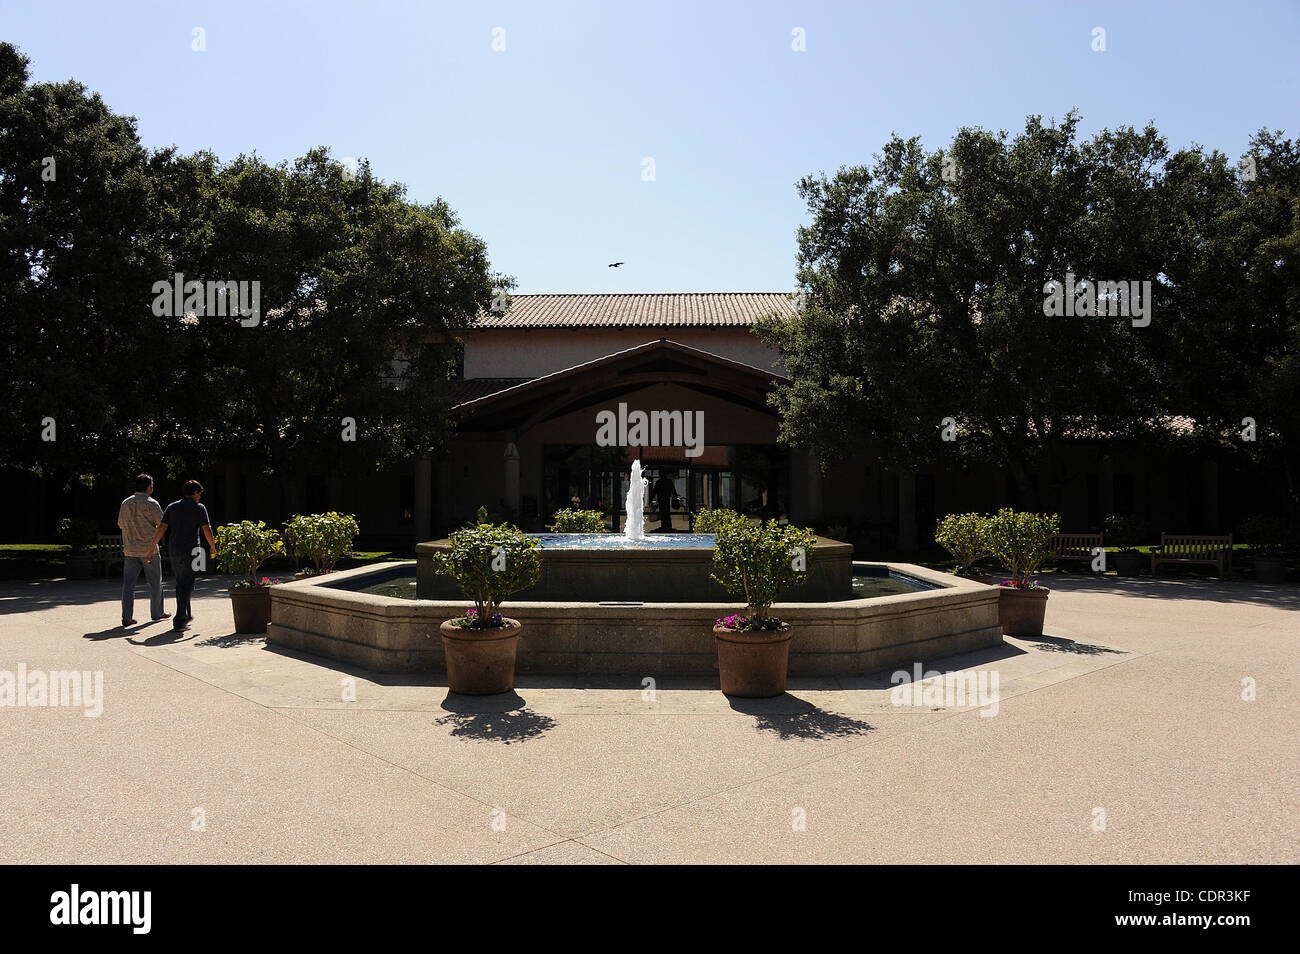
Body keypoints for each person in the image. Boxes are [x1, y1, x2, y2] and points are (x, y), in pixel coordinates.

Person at [148, 480, 216, 632]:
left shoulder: (172, 506)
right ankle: (179, 621)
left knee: (184, 582)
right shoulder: (199, 507)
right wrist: (212, 547)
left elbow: (162, 528)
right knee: (185, 584)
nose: (200, 497)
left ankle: (186, 614)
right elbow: (206, 528)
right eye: (200, 494)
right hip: (193, 550)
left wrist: (152, 547)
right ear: (195, 493)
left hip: (174, 549)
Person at [116, 473, 170, 627]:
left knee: (128, 584)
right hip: (149, 549)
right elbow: (162, 525)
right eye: (152, 485)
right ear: (148, 486)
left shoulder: (126, 503)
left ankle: (127, 616)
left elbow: (120, 524)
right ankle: (157, 612)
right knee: (155, 582)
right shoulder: (152, 503)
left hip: (130, 549)